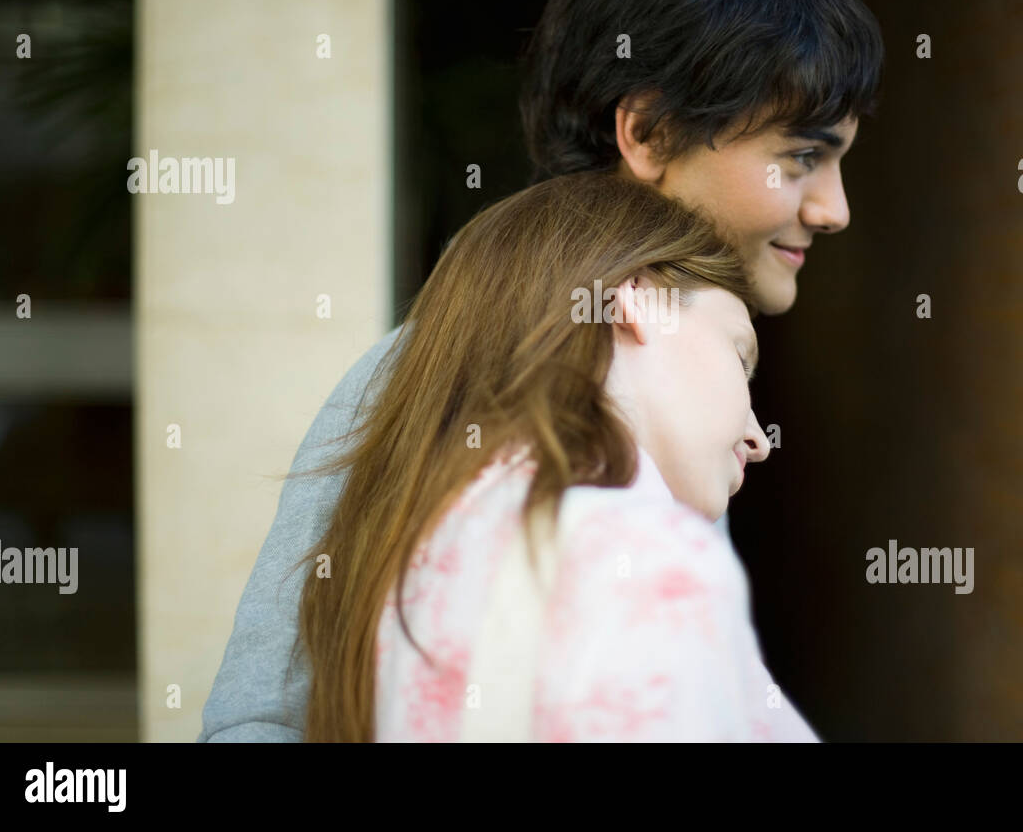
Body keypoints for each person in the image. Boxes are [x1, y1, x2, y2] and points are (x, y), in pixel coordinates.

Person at [198, 0, 882, 742]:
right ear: (649, 131)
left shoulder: (676, 391)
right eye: (802, 156)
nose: (835, 208)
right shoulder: (425, 367)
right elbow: (257, 719)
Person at [298, 172, 816, 741]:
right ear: (638, 301)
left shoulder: (405, 570)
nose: (757, 438)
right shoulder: (642, 557)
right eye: (740, 357)